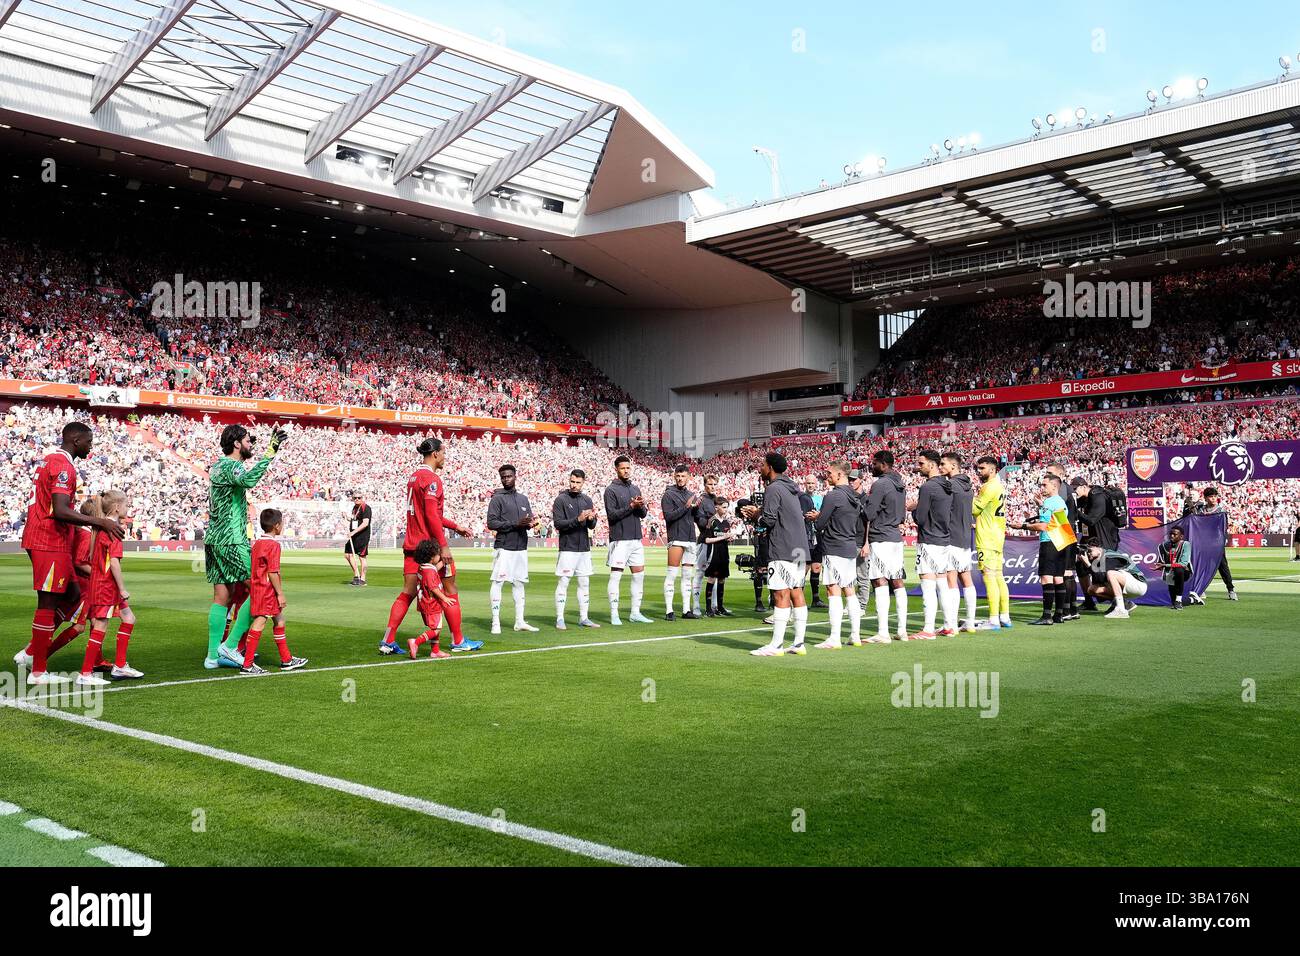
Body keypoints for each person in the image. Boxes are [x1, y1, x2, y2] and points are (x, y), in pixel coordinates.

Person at [16, 421, 125, 685]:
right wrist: (101, 522)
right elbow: (61, 510)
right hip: (48, 539)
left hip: (50, 538)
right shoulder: (63, 466)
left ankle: (33, 653)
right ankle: (37, 669)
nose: (91, 446)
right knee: (48, 602)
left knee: (74, 595)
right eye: (88, 441)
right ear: (75, 440)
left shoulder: (52, 461)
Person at [381, 438, 480, 655]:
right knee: (450, 589)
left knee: (407, 593)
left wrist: (456, 526)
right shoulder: (432, 479)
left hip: (411, 545)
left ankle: (387, 640)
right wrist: (443, 546)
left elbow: (430, 513)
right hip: (430, 548)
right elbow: (431, 515)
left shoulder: (414, 478)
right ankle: (458, 640)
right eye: (443, 453)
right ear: (435, 454)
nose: (445, 457)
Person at [204, 423, 286, 670]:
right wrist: (271, 452)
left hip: (214, 539)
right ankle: (229, 647)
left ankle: (212, 656)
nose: (251, 444)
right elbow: (249, 480)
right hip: (232, 538)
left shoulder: (218, 466)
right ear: (237, 443)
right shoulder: (232, 465)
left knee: (222, 596)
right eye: (248, 441)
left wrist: (256, 448)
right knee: (259, 589)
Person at [743, 452, 811, 656]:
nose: (760, 468)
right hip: (800, 547)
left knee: (780, 593)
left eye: (762, 465)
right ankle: (798, 644)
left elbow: (769, 520)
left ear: (770, 468)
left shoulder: (773, 488)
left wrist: (756, 516)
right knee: (797, 592)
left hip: (783, 547)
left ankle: (776, 645)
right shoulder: (791, 488)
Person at [77, 490, 140, 687]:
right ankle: (85, 673)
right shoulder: (114, 530)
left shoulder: (101, 528)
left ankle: (120, 665)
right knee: (101, 625)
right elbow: (113, 562)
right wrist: (122, 588)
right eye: (126, 506)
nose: (128, 509)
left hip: (103, 583)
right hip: (106, 585)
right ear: (116, 508)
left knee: (129, 618)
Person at [240, 508, 308, 675]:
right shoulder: (273, 545)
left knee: (279, 621)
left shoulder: (257, 544)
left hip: (258, 588)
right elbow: (272, 572)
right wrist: (280, 593)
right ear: (277, 526)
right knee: (260, 621)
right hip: (267, 590)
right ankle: (247, 665)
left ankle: (287, 660)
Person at [812, 461, 863, 649]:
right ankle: (855, 635)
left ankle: (834, 638)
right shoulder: (855, 496)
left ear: (840, 474)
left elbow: (820, 525)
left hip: (834, 546)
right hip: (850, 546)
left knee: (833, 590)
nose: (827, 476)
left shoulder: (833, 496)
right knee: (849, 590)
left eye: (830, 472)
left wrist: (817, 517)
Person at [860, 451, 909, 642]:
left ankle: (883, 632)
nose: (872, 466)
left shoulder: (880, 484)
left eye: (875, 463)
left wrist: (863, 504)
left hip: (880, 536)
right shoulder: (900, 484)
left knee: (879, 581)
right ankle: (902, 630)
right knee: (897, 581)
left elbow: (869, 513)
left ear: (884, 464)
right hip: (895, 536)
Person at [906, 450, 954, 639]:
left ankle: (928, 629)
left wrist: (914, 509)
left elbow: (921, 518)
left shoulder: (928, 487)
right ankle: (949, 625)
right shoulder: (947, 485)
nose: (919, 467)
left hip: (929, 539)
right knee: (942, 583)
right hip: (944, 539)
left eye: (921, 463)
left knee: (927, 582)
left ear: (932, 465)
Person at [486, 464, 538, 634]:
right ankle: (495, 622)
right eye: (503, 477)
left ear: (515, 476)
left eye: (509, 476)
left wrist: (531, 524)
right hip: (504, 546)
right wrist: (515, 524)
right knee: (498, 582)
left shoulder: (523, 499)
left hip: (521, 546)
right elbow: (491, 523)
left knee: (519, 583)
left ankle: (519, 621)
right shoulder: (497, 499)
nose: (506, 479)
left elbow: (529, 519)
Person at [1016, 474, 1069, 626]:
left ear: (1054, 486)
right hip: (1061, 540)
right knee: (1058, 578)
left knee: (1046, 578)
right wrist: (1041, 505)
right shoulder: (1059, 502)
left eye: (1045, 485)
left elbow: (1043, 526)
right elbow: (1054, 520)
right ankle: (1058, 614)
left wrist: (1023, 526)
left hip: (1049, 541)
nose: (1042, 487)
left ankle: (1046, 616)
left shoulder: (1051, 502)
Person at [604, 455, 651, 625]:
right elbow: (612, 515)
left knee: (639, 576)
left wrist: (640, 506)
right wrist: (631, 506)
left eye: (628, 467)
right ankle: (614, 613)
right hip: (620, 539)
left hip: (636, 539)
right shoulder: (611, 490)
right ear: (616, 469)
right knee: (616, 577)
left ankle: (635, 613)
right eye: (623, 468)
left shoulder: (635, 488)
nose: (626, 470)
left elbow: (643, 514)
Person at [552, 469, 600, 630]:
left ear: (583, 482)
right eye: (572, 481)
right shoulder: (560, 500)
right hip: (567, 548)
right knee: (564, 582)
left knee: (584, 582)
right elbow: (558, 524)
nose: (574, 485)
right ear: (569, 480)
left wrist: (592, 519)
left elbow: (591, 526)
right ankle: (559, 618)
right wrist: (578, 519)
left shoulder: (587, 500)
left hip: (584, 548)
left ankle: (584, 617)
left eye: (578, 482)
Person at [972, 457, 1012, 630]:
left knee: (989, 576)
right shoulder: (999, 486)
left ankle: (993, 619)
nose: (979, 471)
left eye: (982, 468)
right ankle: (1004, 616)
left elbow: (974, 509)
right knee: (998, 577)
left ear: (993, 469)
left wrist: (968, 496)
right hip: (997, 536)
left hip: (987, 537)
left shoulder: (988, 487)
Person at [941, 451, 978, 632]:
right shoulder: (968, 486)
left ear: (953, 466)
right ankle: (970, 622)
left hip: (951, 536)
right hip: (964, 537)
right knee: (967, 579)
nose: (940, 467)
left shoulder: (950, 486)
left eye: (943, 464)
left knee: (951, 580)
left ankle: (951, 624)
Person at [661, 464, 703, 621]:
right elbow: (668, 516)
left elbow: (696, 517)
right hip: (676, 537)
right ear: (674, 477)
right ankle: (669, 610)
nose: (680, 479)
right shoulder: (668, 494)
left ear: (688, 477)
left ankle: (686, 610)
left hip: (690, 538)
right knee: (672, 574)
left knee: (687, 575)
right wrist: (686, 507)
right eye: (678, 476)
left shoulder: (692, 494)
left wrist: (698, 507)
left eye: (683, 476)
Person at [406, 539, 455, 660]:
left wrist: (443, 563)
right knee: (436, 629)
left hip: (425, 603)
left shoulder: (424, 567)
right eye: (438, 554)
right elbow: (433, 587)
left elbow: (434, 569)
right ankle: (416, 642)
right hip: (431, 604)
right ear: (432, 557)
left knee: (434, 627)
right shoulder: (429, 572)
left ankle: (435, 651)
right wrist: (445, 598)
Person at [1187, 487, 1238, 601]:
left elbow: (1222, 528)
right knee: (1200, 566)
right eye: (1211, 496)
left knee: (1223, 567)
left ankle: (1231, 590)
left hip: (1216, 544)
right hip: (1203, 544)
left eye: (1215, 496)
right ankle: (1200, 590)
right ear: (1205, 498)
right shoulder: (1200, 509)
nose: (1214, 498)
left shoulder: (1220, 511)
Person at [1046, 462, 1081, 621]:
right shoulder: (1067, 489)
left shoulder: (1062, 490)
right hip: (1069, 531)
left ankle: (1065, 610)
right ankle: (1072, 608)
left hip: (1063, 533)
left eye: (1050, 473)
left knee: (1063, 573)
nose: (1046, 475)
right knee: (1068, 573)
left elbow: (1059, 512)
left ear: (1060, 475)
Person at [1085, 543, 1148, 620]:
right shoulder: (1098, 560)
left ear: (1097, 547)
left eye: (1089, 551)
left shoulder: (1110, 556)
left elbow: (1102, 577)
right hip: (1126, 585)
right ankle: (1125, 604)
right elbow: (1098, 581)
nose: (1088, 554)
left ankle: (1121, 610)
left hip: (1138, 584)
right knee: (1092, 589)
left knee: (1111, 573)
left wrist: (1088, 565)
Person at [702, 499, 736, 616]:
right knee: (712, 578)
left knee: (722, 579)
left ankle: (720, 607)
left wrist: (729, 538)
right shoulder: (712, 521)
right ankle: (708, 608)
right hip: (714, 553)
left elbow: (725, 537)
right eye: (724, 507)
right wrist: (723, 537)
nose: (726, 510)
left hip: (724, 553)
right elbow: (707, 540)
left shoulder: (726, 522)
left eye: (727, 507)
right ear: (717, 507)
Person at [691, 476, 719, 615]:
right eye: (710, 484)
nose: (712, 486)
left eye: (714, 484)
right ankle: (696, 606)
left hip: (717, 541)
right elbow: (700, 521)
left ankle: (714, 606)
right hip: (704, 540)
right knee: (700, 572)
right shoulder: (700, 500)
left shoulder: (717, 500)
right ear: (704, 485)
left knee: (714, 574)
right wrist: (713, 520)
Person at [802, 474, 825, 609]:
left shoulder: (819, 499)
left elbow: (823, 514)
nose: (810, 485)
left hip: (817, 534)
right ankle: (800, 599)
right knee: (804, 568)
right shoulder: (801, 498)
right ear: (805, 484)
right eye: (808, 483)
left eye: (812, 483)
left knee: (816, 567)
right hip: (805, 536)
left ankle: (816, 599)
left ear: (816, 485)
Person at [1158, 525, 1193, 610]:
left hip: (1184, 572)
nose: (1172, 536)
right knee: (1174, 603)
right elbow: (1161, 561)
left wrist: (1165, 565)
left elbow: (1183, 564)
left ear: (1181, 536)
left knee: (1179, 569)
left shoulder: (1186, 544)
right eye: (1171, 534)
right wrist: (1159, 566)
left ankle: (1178, 599)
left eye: (1175, 534)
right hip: (1170, 572)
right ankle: (1192, 599)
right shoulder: (1163, 546)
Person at [345, 492, 371, 587]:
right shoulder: (355, 508)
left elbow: (365, 523)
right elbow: (355, 519)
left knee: (361, 557)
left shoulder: (366, 508)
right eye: (355, 498)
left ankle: (363, 579)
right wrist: (347, 518)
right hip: (354, 536)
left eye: (359, 497)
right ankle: (356, 576)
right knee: (348, 554)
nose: (357, 499)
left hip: (362, 536)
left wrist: (353, 532)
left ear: (362, 498)